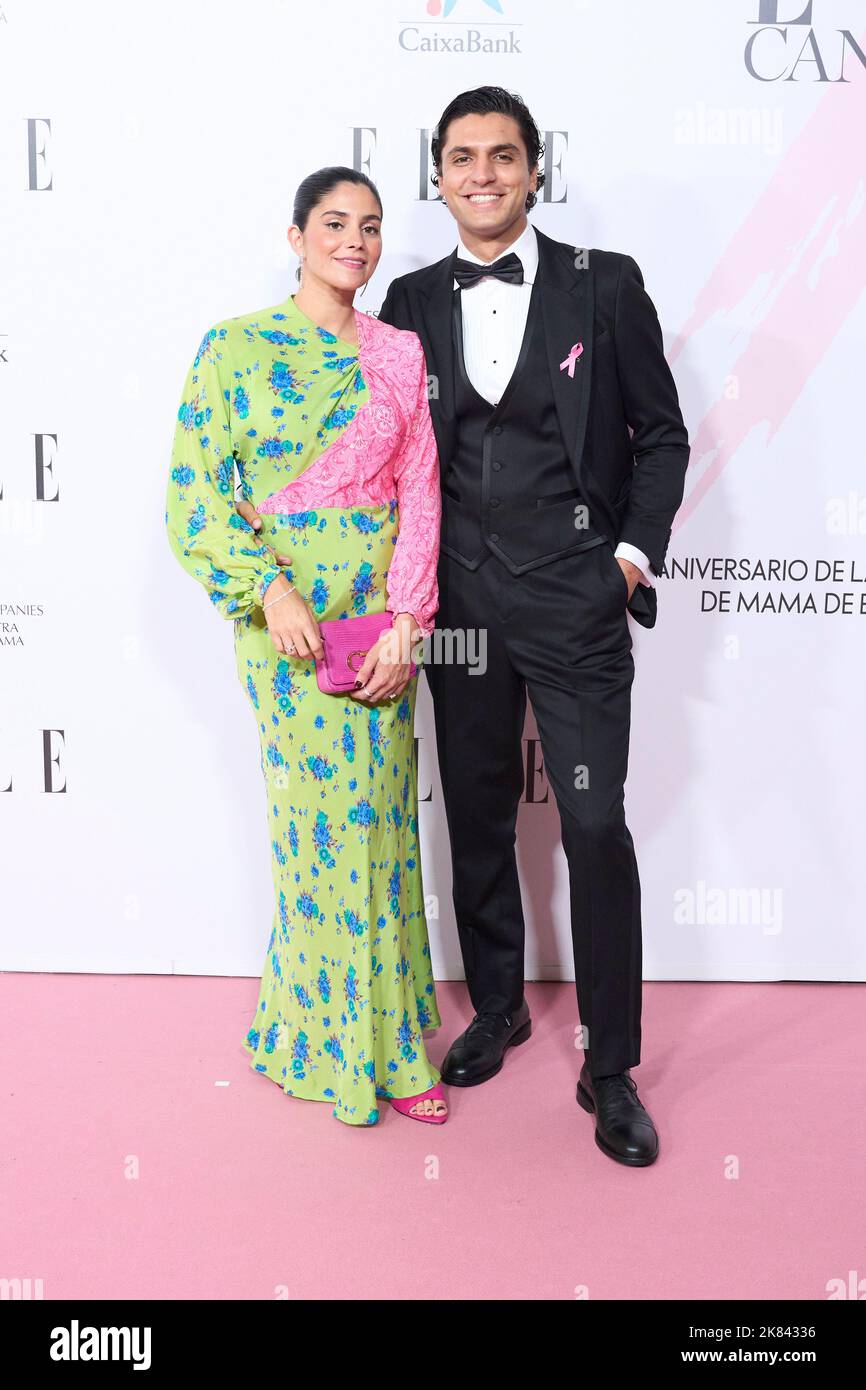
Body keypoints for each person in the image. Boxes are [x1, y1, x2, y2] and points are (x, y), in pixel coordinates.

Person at [376, 86, 690, 1165]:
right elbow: (387, 453)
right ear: (439, 176)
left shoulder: (604, 285)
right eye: (462, 157)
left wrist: (627, 559)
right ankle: (499, 1007)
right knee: (474, 812)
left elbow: (660, 434)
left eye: (501, 156)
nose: (482, 174)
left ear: (534, 170)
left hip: (575, 596)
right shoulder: (408, 300)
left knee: (593, 824)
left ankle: (611, 1067)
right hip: (459, 605)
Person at [165, 166, 447, 1127]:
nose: (355, 242)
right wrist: (268, 590)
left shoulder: (399, 352)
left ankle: (394, 1050)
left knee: (383, 825)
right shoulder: (233, 348)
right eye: (334, 223)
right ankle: (316, 1041)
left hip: (379, 623)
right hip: (284, 630)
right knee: (313, 834)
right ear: (296, 237)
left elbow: (421, 490)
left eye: (370, 226)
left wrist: (409, 620)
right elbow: (196, 493)